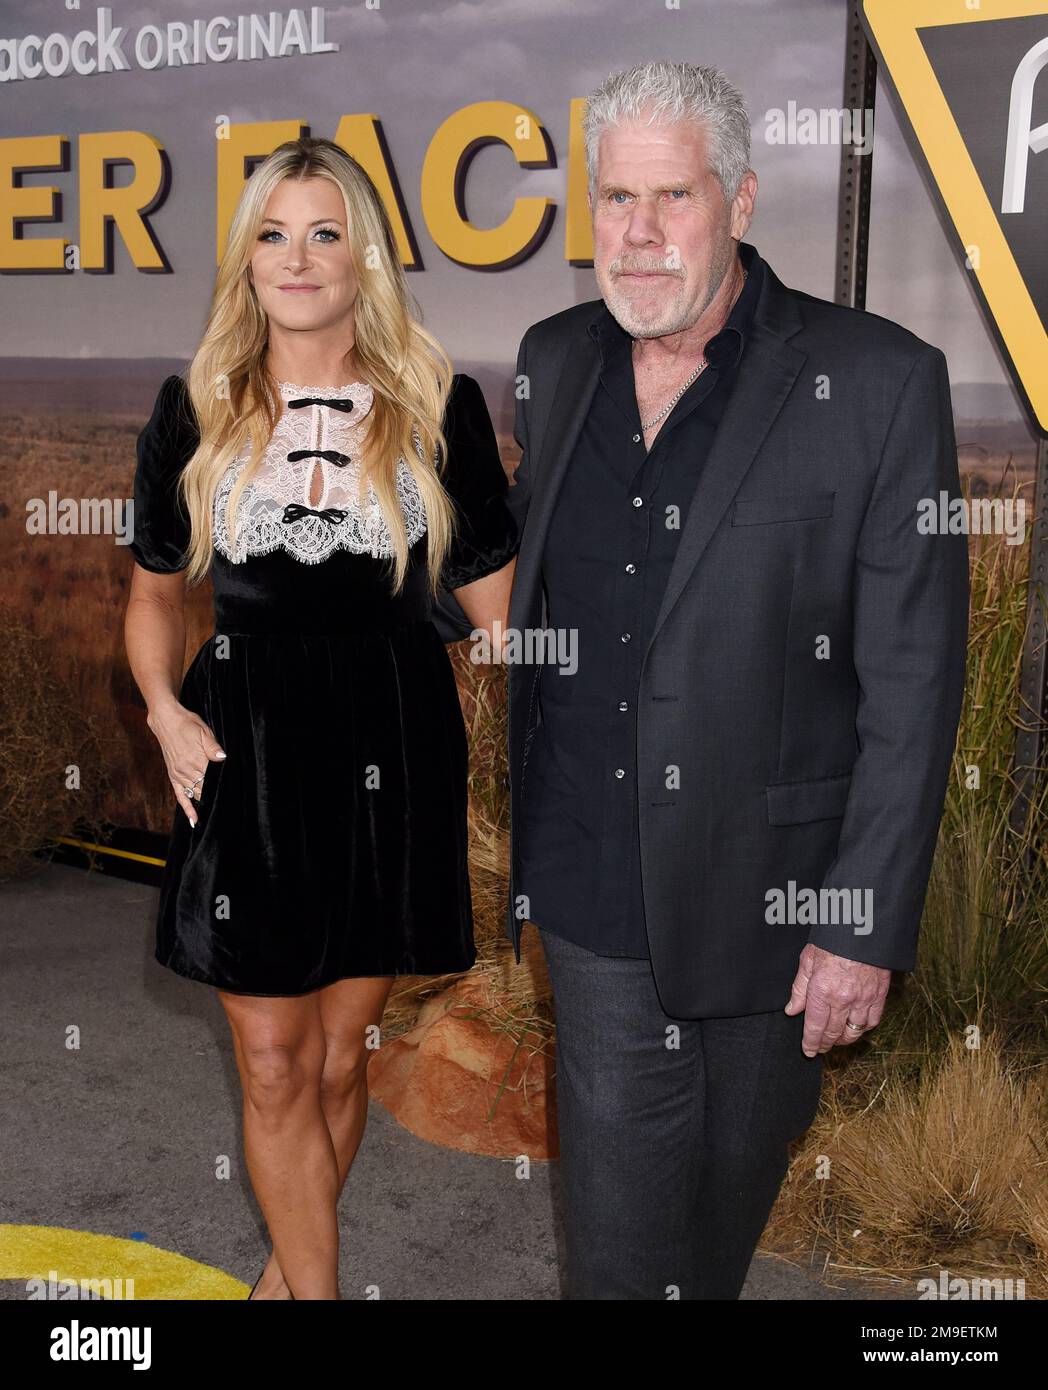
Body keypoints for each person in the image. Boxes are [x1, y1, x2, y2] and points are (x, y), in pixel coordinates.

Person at [453, 59, 967, 1299]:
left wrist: (858, 922)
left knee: (713, 1243)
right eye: (613, 200)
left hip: (777, 910)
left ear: (737, 199)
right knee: (624, 1259)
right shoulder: (554, 356)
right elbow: (541, 588)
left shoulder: (880, 383)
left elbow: (914, 677)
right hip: (592, 890)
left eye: (669, 197)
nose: (635, 235)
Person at [123, 136, 518, 1300]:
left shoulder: (437, 402)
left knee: (343, 1057)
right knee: (270, 1060)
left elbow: (502, 607)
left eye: (324, 233)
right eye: (273, 234)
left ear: (364, 260)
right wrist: (162, 712)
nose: (297, 258)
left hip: (393, 743)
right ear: (246, 259)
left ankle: (281, 1282)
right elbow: (152, 598)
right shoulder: (190, 407)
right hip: (244, 744)